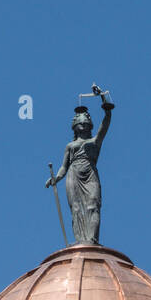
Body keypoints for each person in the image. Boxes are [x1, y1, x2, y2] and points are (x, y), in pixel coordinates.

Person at [46, 96, 114, 245]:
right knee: (76, 208)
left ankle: (92, 239)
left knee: (93, 205)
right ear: (75, 126)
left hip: (90, 174)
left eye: (85, 122)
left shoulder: (95, 142)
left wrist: (106, 108)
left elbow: (104, 127)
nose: (83, 125)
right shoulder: (70, 146)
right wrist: (56, 178)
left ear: (90, 125)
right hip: (74, 174)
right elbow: (64, 166)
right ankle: (80, 240)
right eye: (80, 122)